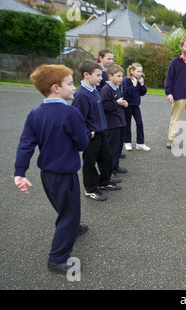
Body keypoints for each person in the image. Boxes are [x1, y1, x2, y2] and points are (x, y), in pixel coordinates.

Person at [14, 64, 90, 274]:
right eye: (69, 83)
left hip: (47, 174)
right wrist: (86, 134)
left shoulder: (35, 114)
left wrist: (19, 172)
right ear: (56, 88)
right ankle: (57, 258)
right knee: (69, 214)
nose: (74, 88)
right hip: (65, 174)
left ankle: (71, 228)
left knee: (63, 207)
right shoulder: (71, 113)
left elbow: (26, 144)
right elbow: (82, 144)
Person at [72, 59, 120, 202]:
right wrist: (88, 132)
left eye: (101, 75)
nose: (101, 78)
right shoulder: (81, 94)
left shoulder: (94, 90)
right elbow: (77, 118)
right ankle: (90, 189)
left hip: (102, 131)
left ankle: (104, 182)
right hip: (92, 135)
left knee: (107, 158)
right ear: (86, 75)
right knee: (89, 163)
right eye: (98, 75)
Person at [100, 64, 128, 183]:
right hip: (112, 124)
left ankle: (115, 166)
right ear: (110, 76)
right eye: (118, 76)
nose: (121, 78)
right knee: (112, 148)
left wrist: (123, 103)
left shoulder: (117, 87)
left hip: (119, 122)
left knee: (118, 147)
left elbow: (117, 102)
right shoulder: (106, 89)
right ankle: (109, 172)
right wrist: (117, 103)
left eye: (122, 76)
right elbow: (104, 106)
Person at [123, 63, 150, 152]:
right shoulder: (127, 80)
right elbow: (127, 93)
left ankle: (140, 143)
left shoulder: (139, 80)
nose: (139, 73)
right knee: (127, 124)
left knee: (139, 124)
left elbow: (142, 93)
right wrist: (134, 85)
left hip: (136, 105)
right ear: (132, 71)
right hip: (127, 105)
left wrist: (142, 85)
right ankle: (127, 142)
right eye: (138, 71)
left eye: (141, 71)